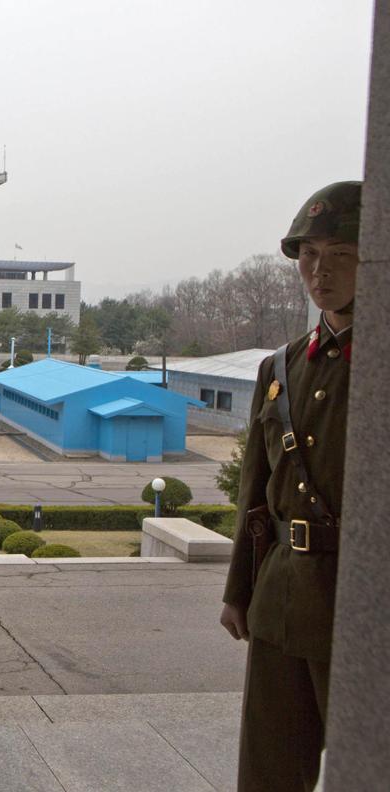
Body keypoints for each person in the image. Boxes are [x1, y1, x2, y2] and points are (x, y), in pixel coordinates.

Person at [219, 181, 360, 792]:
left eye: (340, 255)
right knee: (270, 771)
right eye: (307, 255)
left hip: (361, 606)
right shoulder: (280, 368)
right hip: (280, 596)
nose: (318, 272)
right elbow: (256, 492)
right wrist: (239, 591)